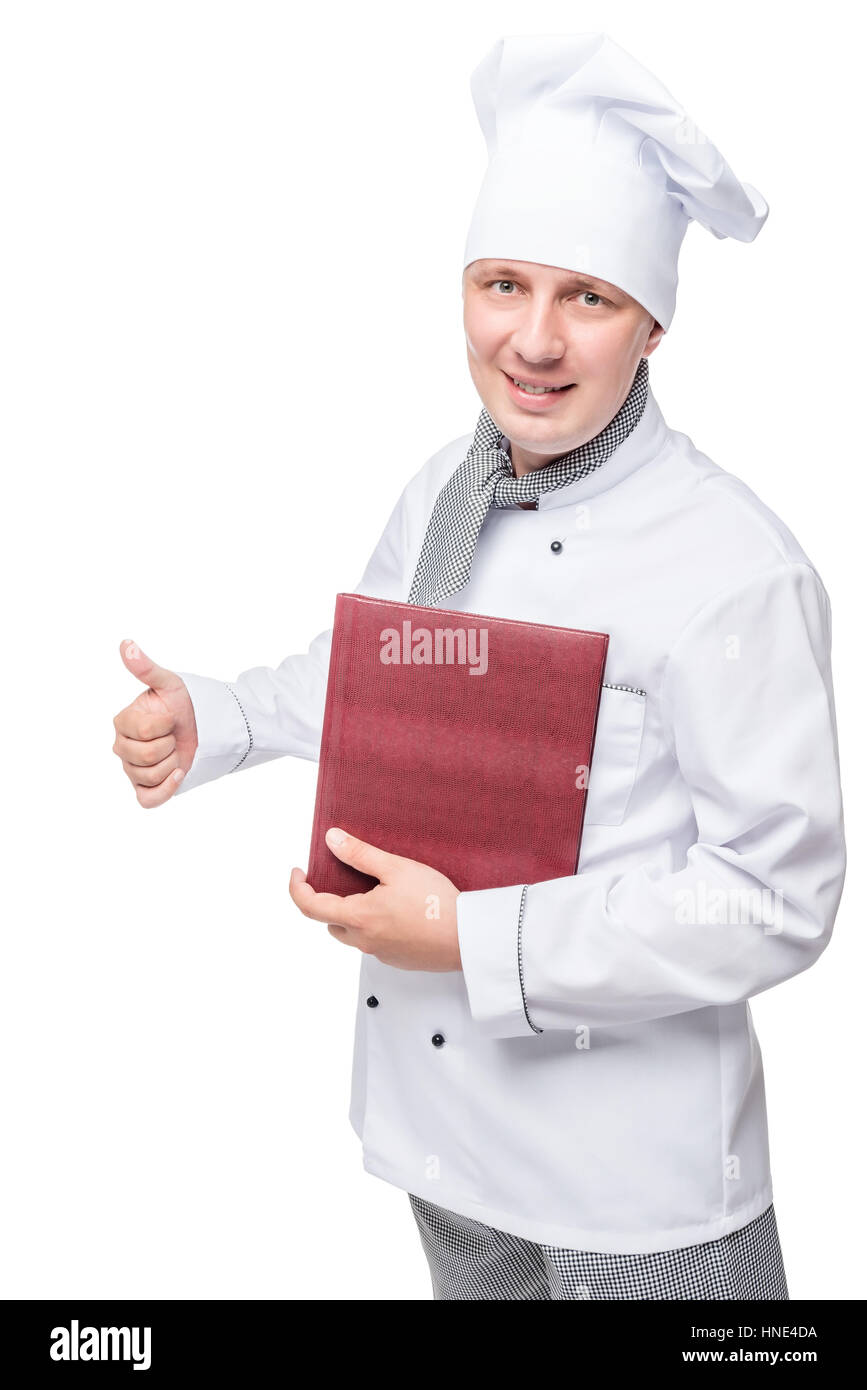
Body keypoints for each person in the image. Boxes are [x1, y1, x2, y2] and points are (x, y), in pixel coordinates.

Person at [111, 33, 846, 1300]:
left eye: (591, 298)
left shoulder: (735, 567)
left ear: (653, 325)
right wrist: (215, 715)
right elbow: (378, 674)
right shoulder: (446, 491)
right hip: (442, 1148)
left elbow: (777, 895)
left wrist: (471, 934)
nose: (537, 340)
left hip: (638, 1200)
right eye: (503, 284)